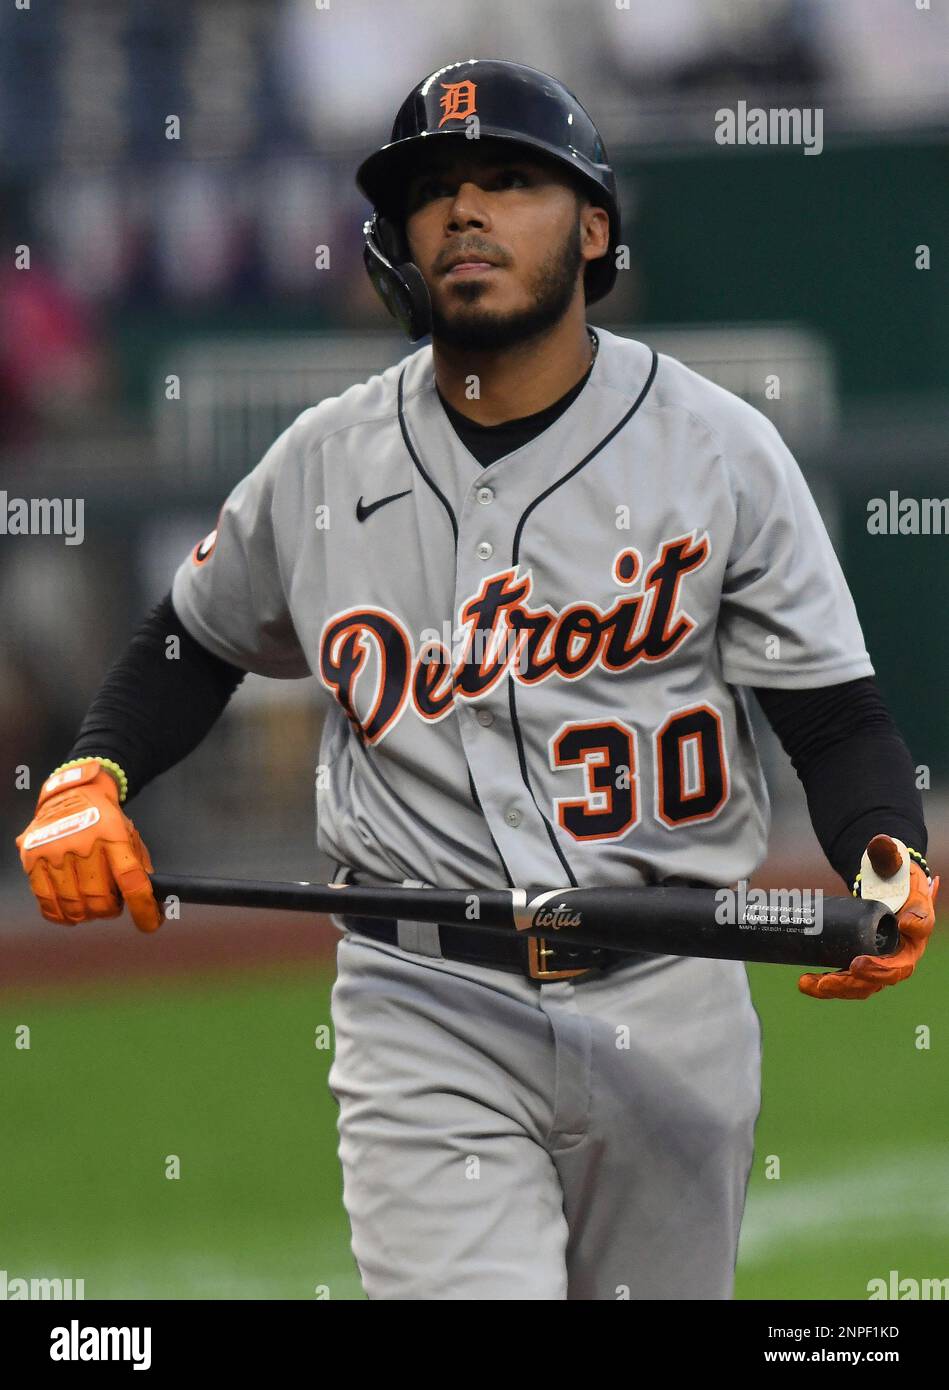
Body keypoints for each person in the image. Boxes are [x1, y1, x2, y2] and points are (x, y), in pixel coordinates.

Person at [16, 60, 937, 1301]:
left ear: (595, 224)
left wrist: (883, 844)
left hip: (670, 999)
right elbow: (192, 640)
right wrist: (89, 774)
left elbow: (830, 716)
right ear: (395, 239)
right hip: (424, 998)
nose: (464, 212)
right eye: (434, 189)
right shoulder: (321, 461)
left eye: (508, 180)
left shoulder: (716, 450)